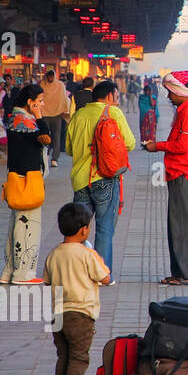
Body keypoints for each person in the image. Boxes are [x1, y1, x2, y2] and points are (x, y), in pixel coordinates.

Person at [43, 202, 110, 375]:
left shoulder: (54, 254)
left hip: (57, 315)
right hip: (80, 314)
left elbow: (47, 280)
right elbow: (105, 278)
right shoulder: (86, 254)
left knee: (63, 356)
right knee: (79, 357)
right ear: (84, 230)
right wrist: (98, 257)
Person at [143, 70, 188, 286]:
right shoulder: (185, 110)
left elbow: (182, 145)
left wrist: (156, 146)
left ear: (180, 91)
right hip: (179, 172)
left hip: (183, 171)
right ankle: (181, 272)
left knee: (183, 224)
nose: (168, 97)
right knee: (178, 224)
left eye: (170, 92)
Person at [65, 79, 133, 277]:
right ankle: (103, 274)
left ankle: (77, 272)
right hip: (104, 178)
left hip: (79, 180)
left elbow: (69, 149)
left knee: (79, 227)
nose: (118, 100)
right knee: (104, 228)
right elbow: (129, 143)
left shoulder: (78, 115)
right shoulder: (113, 113)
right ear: (110, 96)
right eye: (117, 96)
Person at [2, 84, 51, 284]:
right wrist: (39, 115)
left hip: (16, 177)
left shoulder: (14, 119)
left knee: (16, 224)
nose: (42, 104)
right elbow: (47, 138)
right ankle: (23, 273)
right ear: (30, 103)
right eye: (39, 101)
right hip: (27, 180)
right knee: (28, 225)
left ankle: (9, 271)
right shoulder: (27, 123)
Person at [40, 69, 71, 168]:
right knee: (45, 136)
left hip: (56, 114)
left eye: (51, 77)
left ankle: (55, 158)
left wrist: (64, 110)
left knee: (56, 136)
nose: (50, 79)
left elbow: (63, 98)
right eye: (48, 77)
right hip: (44, 114)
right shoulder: (42, 85)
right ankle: (45, 154)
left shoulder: (60, 85)